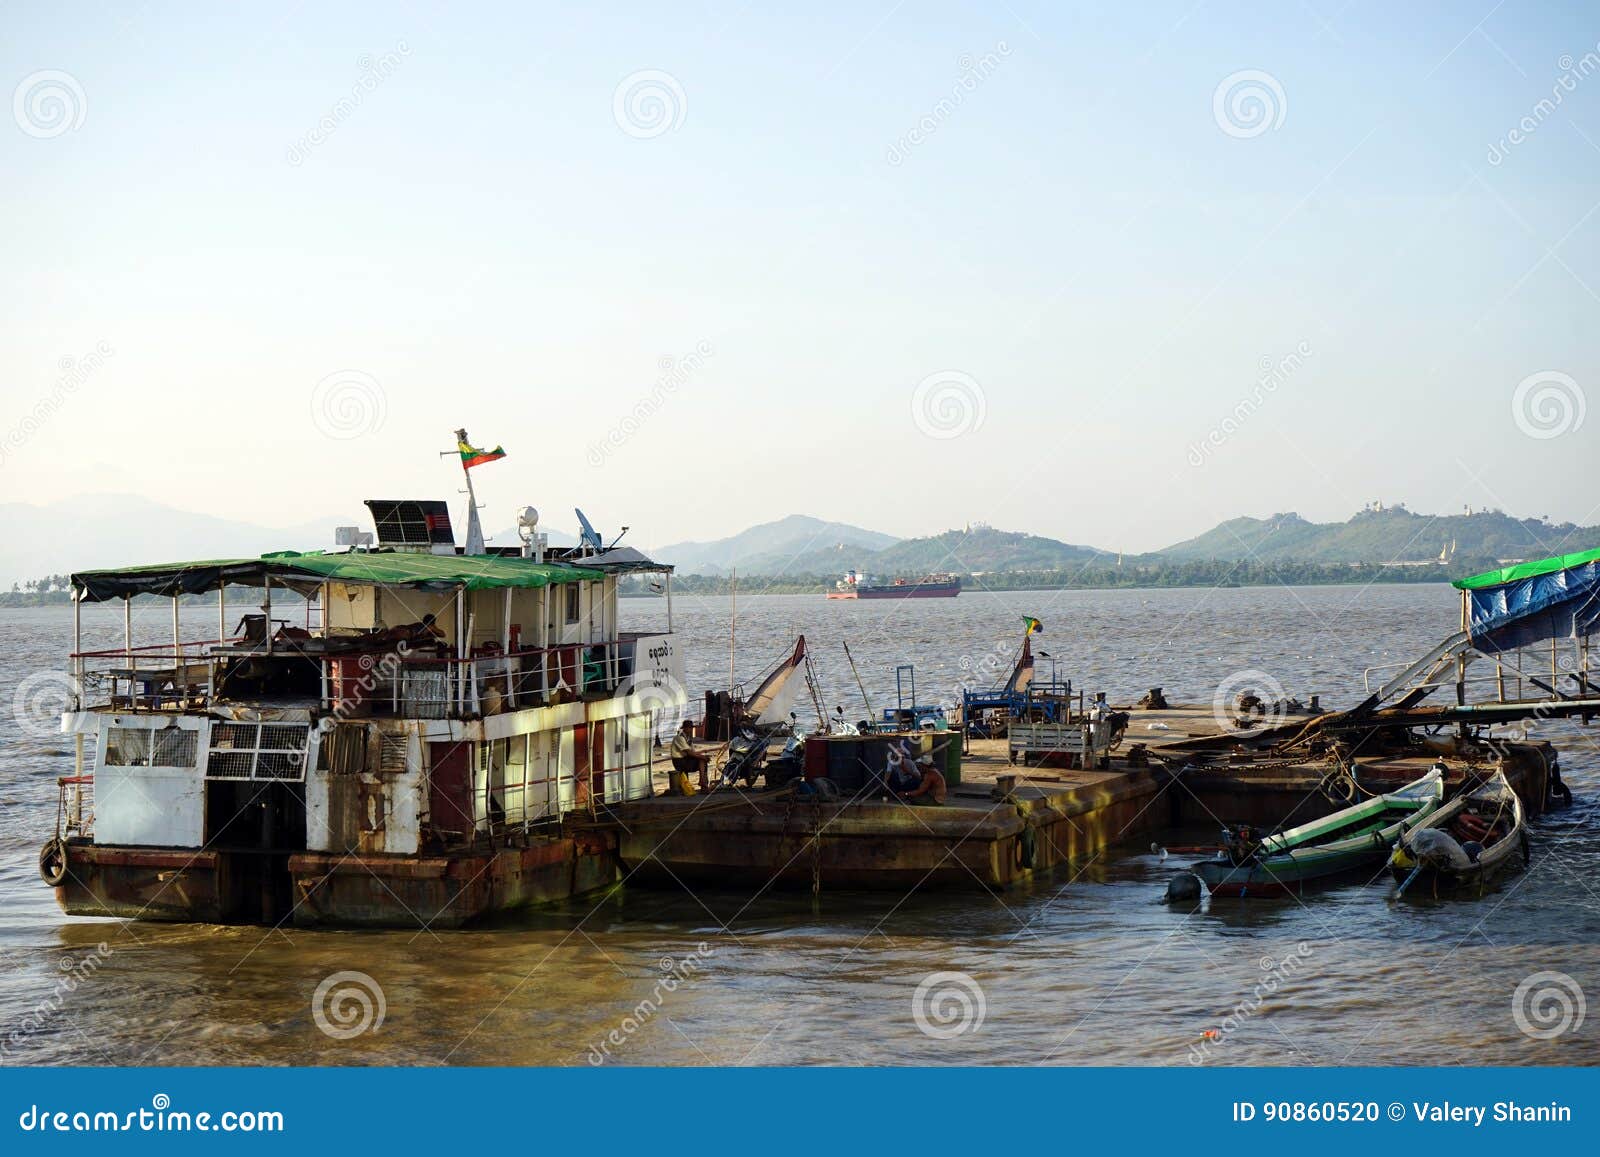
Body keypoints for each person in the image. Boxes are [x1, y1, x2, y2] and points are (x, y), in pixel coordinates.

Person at [669, 720, 710, 795]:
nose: (690, 730)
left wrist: (703, 755)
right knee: (702, 759)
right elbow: (689, 752)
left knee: (703, 761)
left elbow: (693, 753)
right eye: (689, 728)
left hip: (686, 759)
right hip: (679, 761)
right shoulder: (680, 738)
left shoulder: (689, 739)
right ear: (684, 728)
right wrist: (702, 756)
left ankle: (703, 783)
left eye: (691, 728)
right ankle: (703, 783)